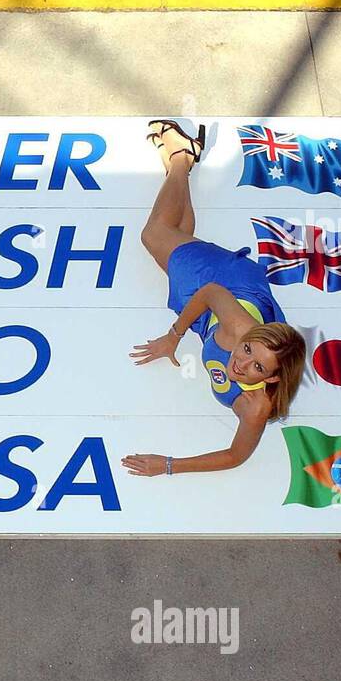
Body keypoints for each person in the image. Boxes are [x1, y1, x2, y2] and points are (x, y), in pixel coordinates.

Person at [123, 119, 306, 478]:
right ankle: (179, 154)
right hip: (230, 282)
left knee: (175, 238)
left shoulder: (257, 408)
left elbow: (235, 456)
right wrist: (173, 336)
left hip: (209, 322)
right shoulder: (239, 327)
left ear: (270, 379)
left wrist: (168, 466)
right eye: (250, 350)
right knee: (154, 235)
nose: (243, 362)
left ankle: (182, 169)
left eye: (257, 367)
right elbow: (209, 293)